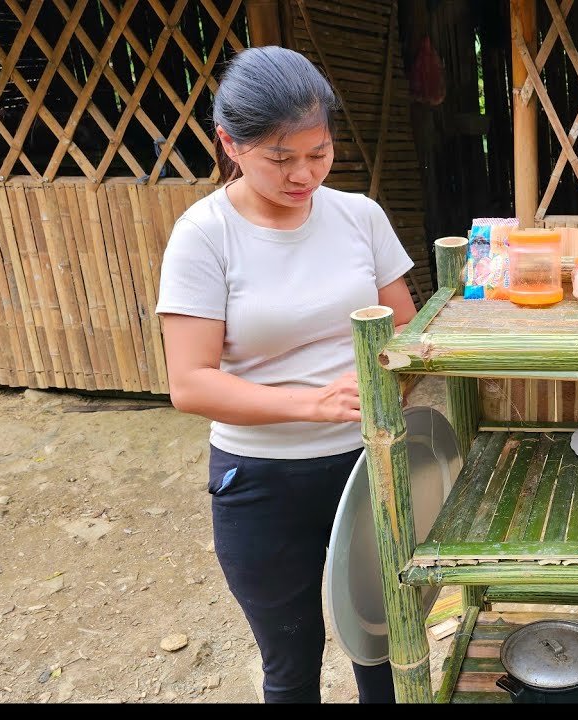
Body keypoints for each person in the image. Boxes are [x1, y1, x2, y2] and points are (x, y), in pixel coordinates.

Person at [155, 46, 416, 704]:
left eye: (318, 152)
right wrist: (310, 403)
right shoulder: (203, 236)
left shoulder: (360, 217)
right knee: (291, 665)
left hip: (369, 466)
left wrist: (402, 385)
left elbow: (407, 334)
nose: (304, 174)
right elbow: (190, 383)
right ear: (230, 144)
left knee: (384, 649)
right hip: (263, 483)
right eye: (281, 158)